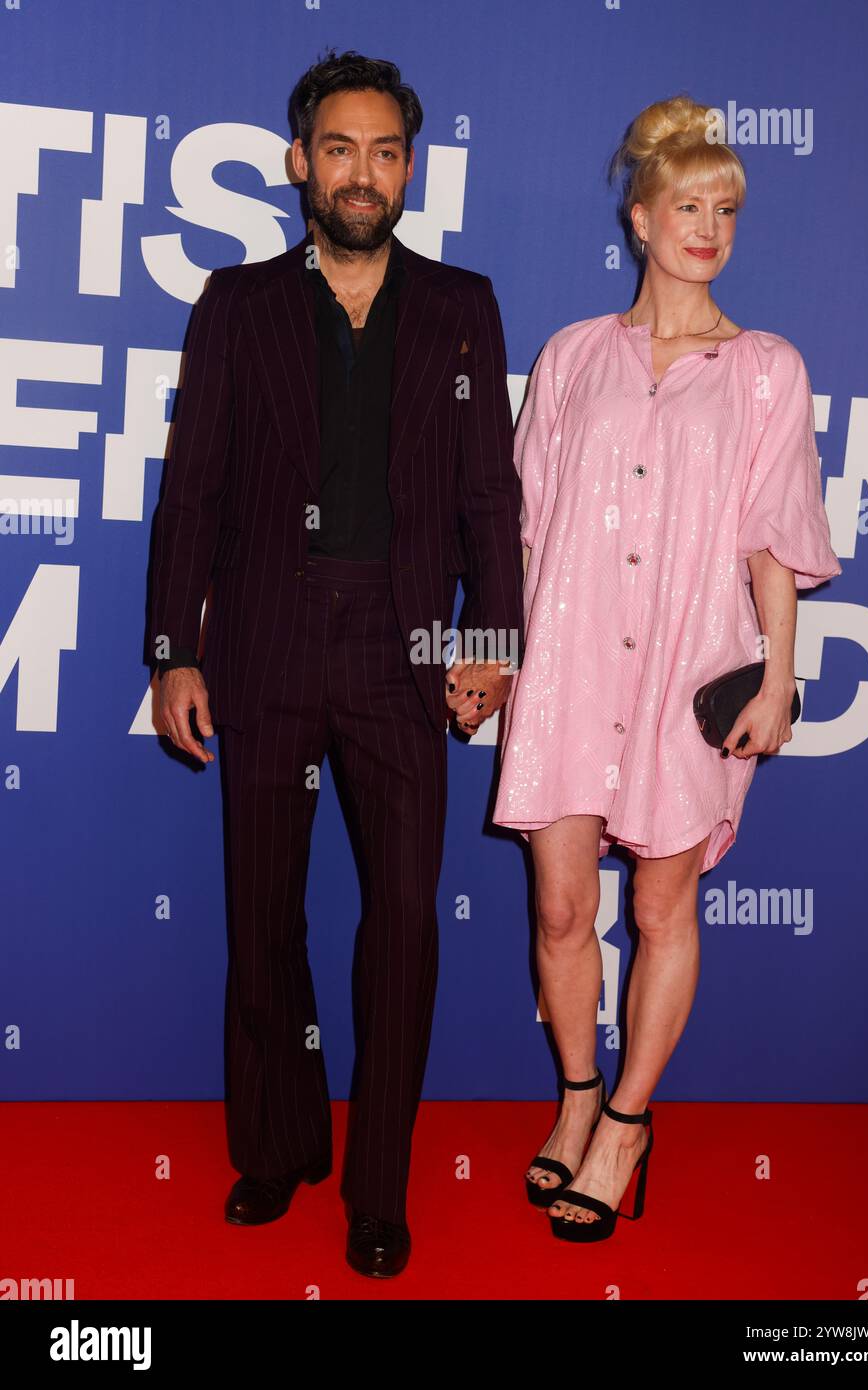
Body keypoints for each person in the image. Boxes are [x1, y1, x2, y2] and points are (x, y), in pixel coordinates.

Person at [147, 49, 523, 1277]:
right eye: (342, 148)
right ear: (301, 162)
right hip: (262, 640)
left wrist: (488, 646)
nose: (364, 174)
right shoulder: (236, 302)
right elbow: (189, 496)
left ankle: (378, 1186)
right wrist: (174, 651)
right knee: (263, 917)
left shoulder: (464, 303)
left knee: (402, 926)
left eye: (388, 151)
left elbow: (488, 498)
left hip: (408, 648)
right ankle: (275, 1146)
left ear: (409, 167)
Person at [491, 94, 842, 1242]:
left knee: (657, 900)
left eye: (725, 208)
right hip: (570, 663)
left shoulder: (764, 370)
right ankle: (577, 1098)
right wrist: (497, 655)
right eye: (686, 205)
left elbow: (772, 533)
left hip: (691, 665)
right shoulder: (571, 355)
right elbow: (524, 529)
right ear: (638, 219)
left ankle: (630, 1121)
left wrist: (778, 677)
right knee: (557, 908)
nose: (708, 227)